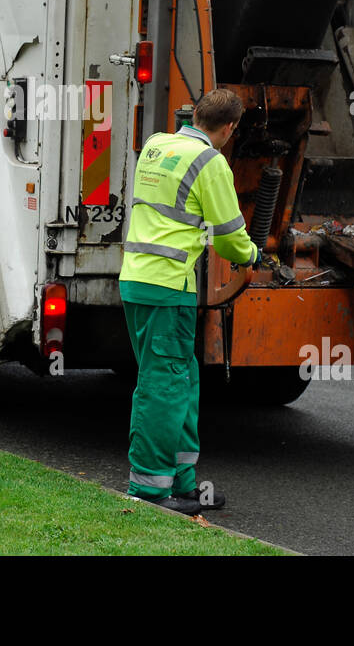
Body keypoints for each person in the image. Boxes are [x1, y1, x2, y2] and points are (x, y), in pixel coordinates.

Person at [119, 88, 264, 515]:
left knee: (180, 381)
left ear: (195, 114)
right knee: (163, 387)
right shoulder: (210, 162)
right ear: (229, 128)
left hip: (138, 281)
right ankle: (148, 487)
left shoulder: (157, 145)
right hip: (168, 288)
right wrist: (253, 255)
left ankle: (182, 484)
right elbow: (229, 237)